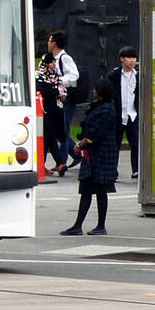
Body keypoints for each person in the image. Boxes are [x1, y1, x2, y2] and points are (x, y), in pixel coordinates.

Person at [60, 79, 120, 236]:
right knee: (91, 190)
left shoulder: (107, 109)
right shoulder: (102, 106)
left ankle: (95, 226)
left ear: (101, 92)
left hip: (100, 154)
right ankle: (81, 225)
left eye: (96, 89)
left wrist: (80, 144)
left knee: (97, 190)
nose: (93, 91)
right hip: (95, 154)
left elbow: (96, 133)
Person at [106, 45, 140, 179]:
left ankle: (136, 169)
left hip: (132, 114)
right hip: (118, 115)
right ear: (122, 59)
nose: (132, 61)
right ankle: (112, 171)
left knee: (135, 143)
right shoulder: (114, 75)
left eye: (134, 58)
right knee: (115, 144)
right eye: (129, 57)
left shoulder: (138, 76)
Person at [48, 31, 81, 163]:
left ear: (55, 43)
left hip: (67, 98)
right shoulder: (53, 58)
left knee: (63, 128)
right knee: (60, 128)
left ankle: (62, 161)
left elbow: (74, 74)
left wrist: (59, 81)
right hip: (59, 97)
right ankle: (76, 154)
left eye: (50, 41)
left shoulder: (64, 58)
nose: (48, 43)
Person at [36, 52, 68, 174]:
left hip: (56, 111)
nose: (54, 64)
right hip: (44, 112)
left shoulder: (55, 76)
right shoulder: (38, 76)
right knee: (50, 137)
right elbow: (42, 92)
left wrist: (63, 94)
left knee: (49, 139)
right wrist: (56, 91)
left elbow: (62, 89)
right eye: (52, 62)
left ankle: (41, 165)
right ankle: (60, 163)